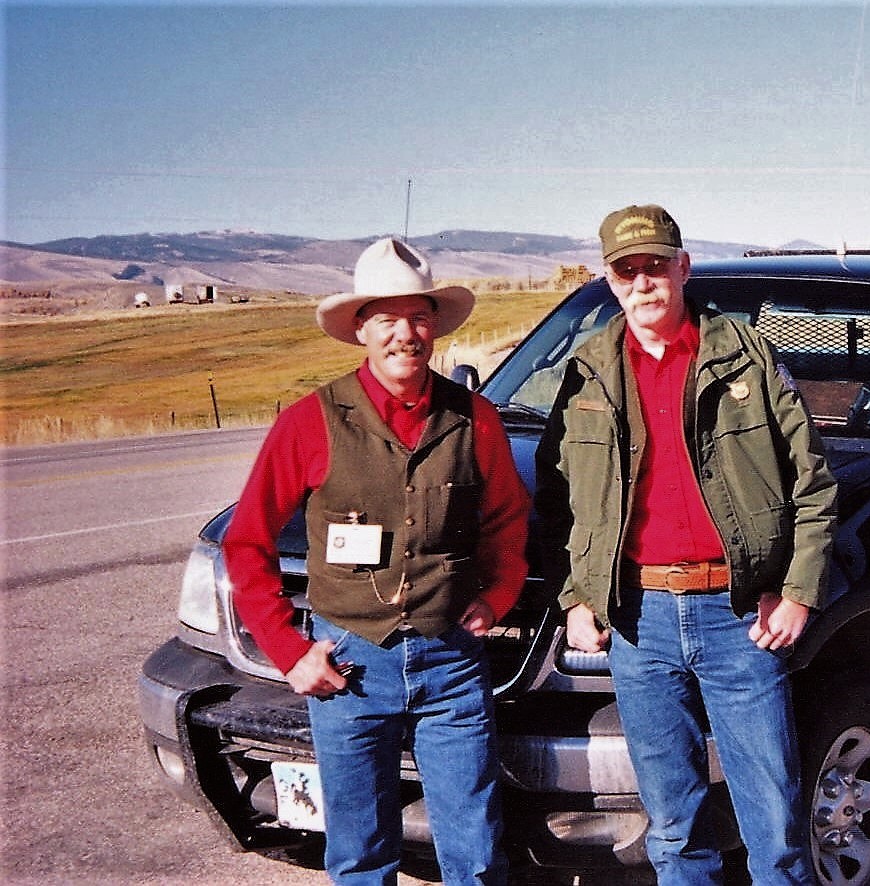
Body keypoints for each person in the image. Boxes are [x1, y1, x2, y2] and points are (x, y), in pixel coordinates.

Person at [535, 205, 837, 885]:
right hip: (640, 622)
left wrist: (797, 592)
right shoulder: (586, 373)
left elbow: (814, 483)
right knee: (672, 825)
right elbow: (556, 501)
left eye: (655, 266)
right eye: (626, 270)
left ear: (683, 268)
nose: (643, 283)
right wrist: (577, 596)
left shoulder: (746, 357)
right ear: (609, 279)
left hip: (741, 619)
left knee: (776, 820)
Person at [224, 236, 530, 885]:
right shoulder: (310, 422)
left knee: (474, 855)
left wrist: (497, 592)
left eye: (418, 316)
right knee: (361, 854)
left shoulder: (474, 419)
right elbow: (245, 541)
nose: (405, 334)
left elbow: (508, 517)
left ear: (434, 325)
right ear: (361, 327)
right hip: (348, 666)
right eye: (387, 318)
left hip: (452, 668)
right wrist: (288, 648)